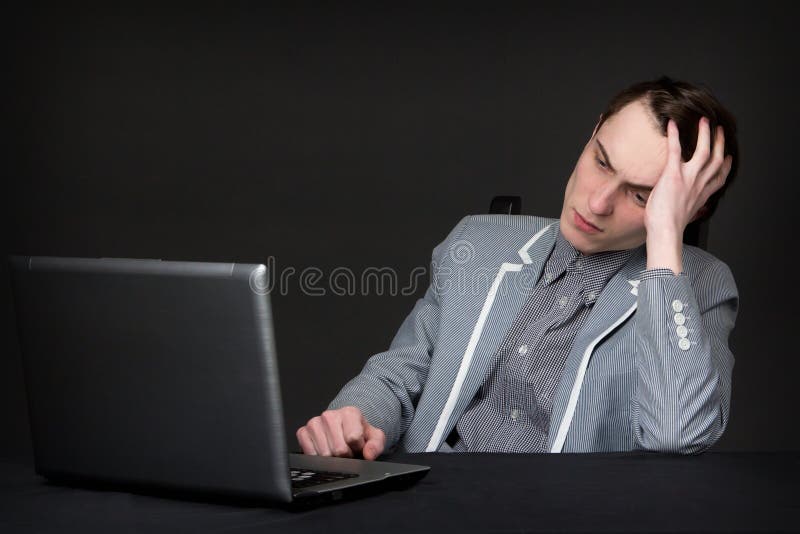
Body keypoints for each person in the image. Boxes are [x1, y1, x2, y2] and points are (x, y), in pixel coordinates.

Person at [297, 76, 740, 458]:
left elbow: (678, 434)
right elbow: (400, 374)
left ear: (689, 208)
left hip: (560, 513)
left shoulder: (702, 286)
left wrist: (665, 238)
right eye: (601, 162)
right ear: (593, 133)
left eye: (641, 196)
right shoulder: (477, 241)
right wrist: (355, 418)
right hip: (427, 497)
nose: (598, 202)